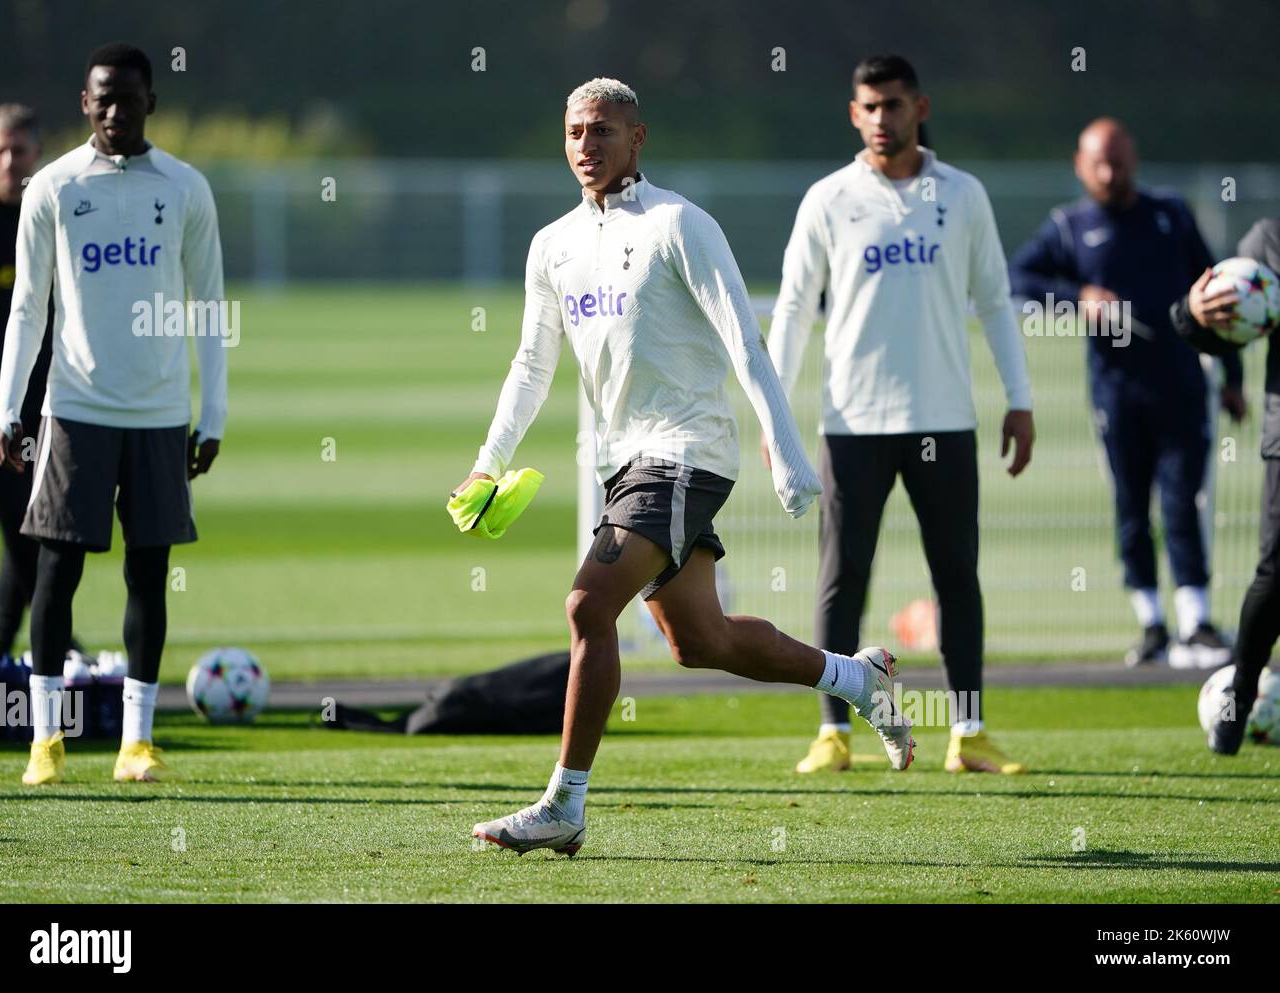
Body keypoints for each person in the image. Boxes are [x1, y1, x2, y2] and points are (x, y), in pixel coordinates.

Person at [461, 77, 914, 858]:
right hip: (621, 463)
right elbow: (532, 365)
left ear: (638, 138)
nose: (585, 144)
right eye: (573, 130)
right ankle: (856, 678)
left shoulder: (679, 224)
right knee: (700, 641)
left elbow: (746, 340)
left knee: (585, 606)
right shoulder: (553, 245)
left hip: (685, 452)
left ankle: (563, 803)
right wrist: (486, 464)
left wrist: (788, 453)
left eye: (602, 129)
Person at [766, 55, 1035, 776]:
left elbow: (997, 302)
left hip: (943, 420)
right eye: (869, 107)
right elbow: (793, 308)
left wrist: (1021, 397)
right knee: (840, 577)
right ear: (854, 115)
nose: (882, 118)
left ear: (920, 106)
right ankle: (833, 733)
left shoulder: (964, 195)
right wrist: (774, 409)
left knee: (957, 576)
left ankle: (969, 731)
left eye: (893, 104)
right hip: (851, 423)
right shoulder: (828, 198)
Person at [0, 42, 228, 784]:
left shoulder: (185, 188)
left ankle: (136, 741)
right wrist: (7, 408)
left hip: (159, 415)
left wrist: (211, 414)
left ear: (151, 102)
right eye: (105, 98)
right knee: (54, 573)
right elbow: (27, 307)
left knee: (148, 575)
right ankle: (45, 741)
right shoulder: (54, 187)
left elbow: (210, 308)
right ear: (85, 104)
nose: (118, 111)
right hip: (76, 409)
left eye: (131, 98)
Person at [1010, 118, 1244, 669]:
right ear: (1080, 165)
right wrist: (1076, 295)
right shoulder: (1070, 225)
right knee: (1131, 509)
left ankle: (1197, 622)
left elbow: (1214, 295)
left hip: (1184, 385)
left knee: (1184, 501)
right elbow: (1018, 277)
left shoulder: (1171, 215)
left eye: (1118, 161)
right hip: (1115, 395)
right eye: (1098, 163)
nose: (1110, 173)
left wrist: (1233, 376)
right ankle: (1152, 625)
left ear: (1133, 158)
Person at [1169, 220, 1280, 753]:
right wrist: (1191, 314)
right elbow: (1212, 330)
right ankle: (1241, 690)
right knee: (1276, 573)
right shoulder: (1267, 241)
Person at [0, 104, 53, 667]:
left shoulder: (50, 223)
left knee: (25, 529)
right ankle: (59, 644)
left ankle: (0, 657)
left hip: (37, 409)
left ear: (37, 157)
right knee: (25, 530)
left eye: (20, 151)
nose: (10, 161)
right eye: (0, 150)